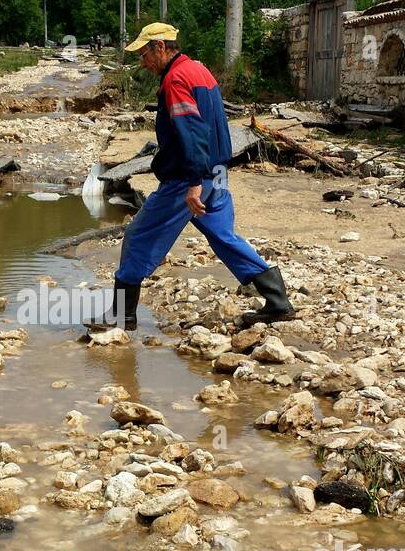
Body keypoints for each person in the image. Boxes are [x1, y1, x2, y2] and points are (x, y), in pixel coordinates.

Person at [84, 22, 293, 331]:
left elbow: (192, 132)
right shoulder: (198, 70)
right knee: (224, 237)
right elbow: (214, 125)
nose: (142, 62)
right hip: (218, 172)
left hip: (189, 178)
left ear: (160, 47)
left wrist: (193, 182)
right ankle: (277, 299)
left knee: (138, 236)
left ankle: (121, 315)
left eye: (144, 54)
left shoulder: (176, 79)